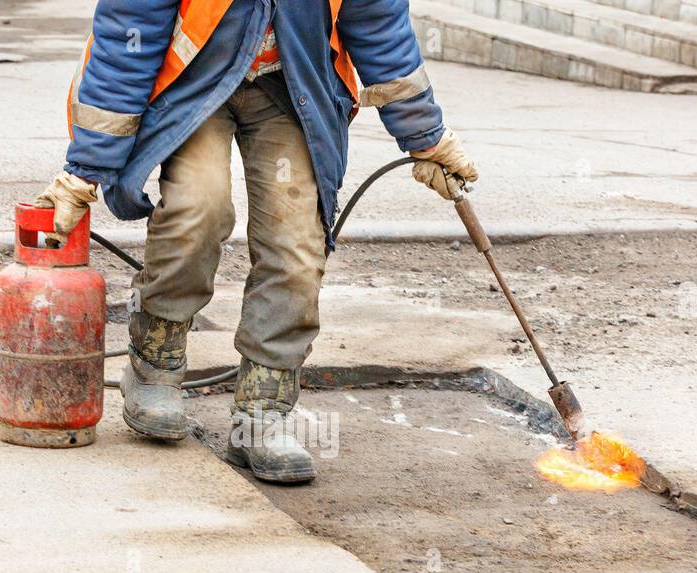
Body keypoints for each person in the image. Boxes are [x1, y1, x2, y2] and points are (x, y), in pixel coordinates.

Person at [37, 0, 477, 483]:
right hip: (195, 88)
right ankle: (154, 366)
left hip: (291, 90)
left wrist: (426, 138)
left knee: (295, 243)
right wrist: (86, 170)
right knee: (198, 208)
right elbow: (129, 34)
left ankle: (263, 412)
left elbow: (378, 30)